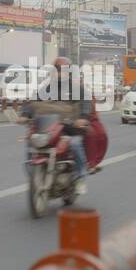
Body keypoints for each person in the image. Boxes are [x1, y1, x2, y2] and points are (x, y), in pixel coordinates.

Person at [20, 57, 95, 192]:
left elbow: (86, 104)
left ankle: (80, 176)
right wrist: (25, 115)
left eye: (63, 70)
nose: (60, 73)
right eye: (57, 70)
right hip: (49, 130)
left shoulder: (78, 89)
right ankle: (33, 175)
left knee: (75, 144)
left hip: (70, 129)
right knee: (30, 143)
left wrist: (83, 118)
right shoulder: (46, 88)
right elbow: (31, 102)